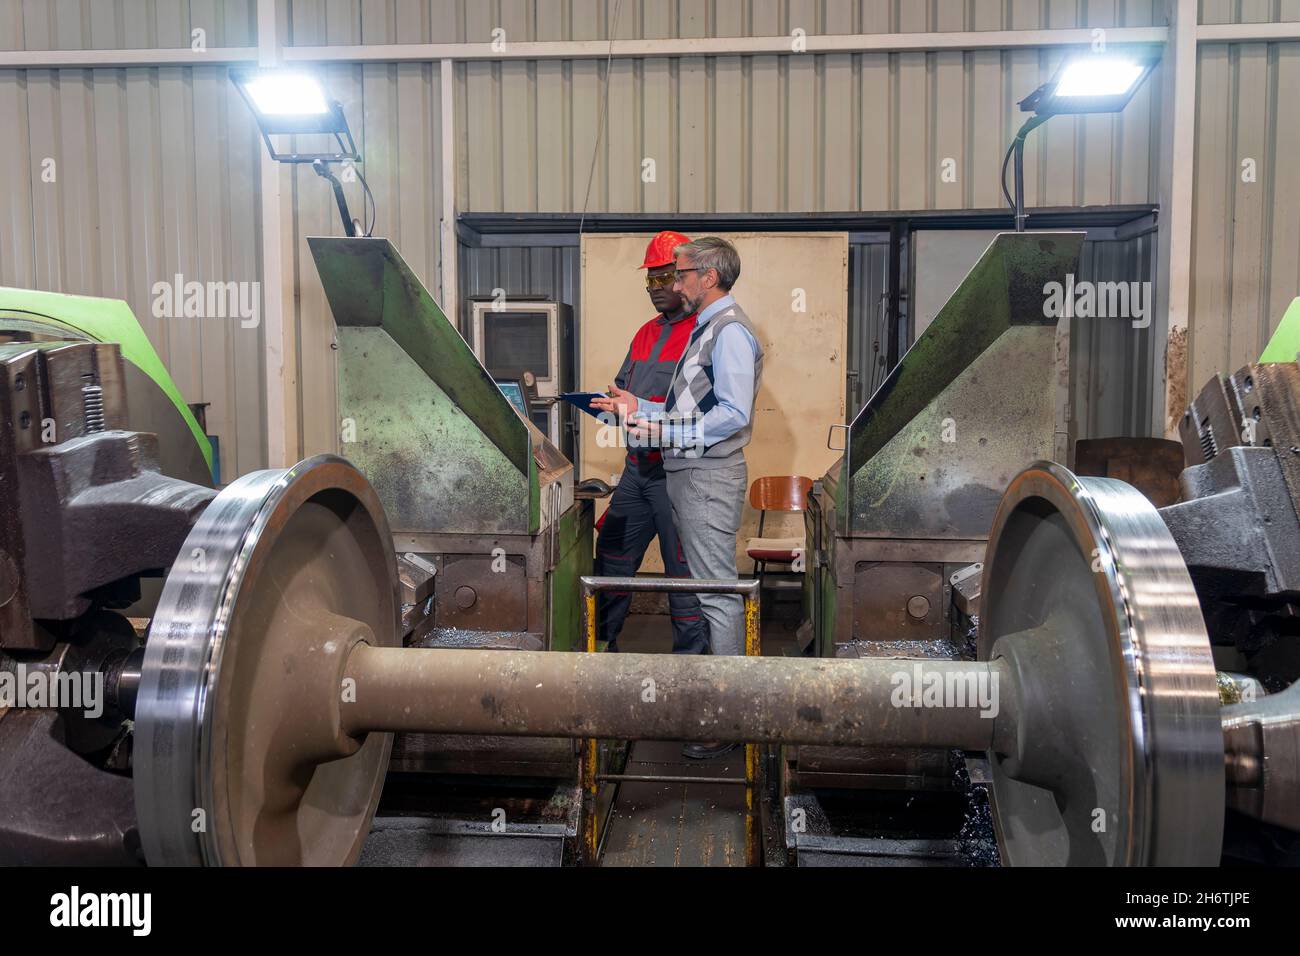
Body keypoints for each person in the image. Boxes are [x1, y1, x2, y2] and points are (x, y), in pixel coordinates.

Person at [594, 236, 764, 759]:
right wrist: (637, 404)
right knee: (707, 589)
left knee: (714, 593)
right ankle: (709, 702)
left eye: (681, 273)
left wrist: (663, 431)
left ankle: (728, 716)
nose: (673, 281)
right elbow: (686, 405)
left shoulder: (729, 332)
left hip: (706, 475)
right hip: (686, 471)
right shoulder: (706, 329)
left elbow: (733, 414)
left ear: (707, 276)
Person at [591, 231, 710, 656]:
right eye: (650, 281)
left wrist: (645, 411)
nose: (657, 290)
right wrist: (605, 405)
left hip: (678, 473)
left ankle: (692, 665)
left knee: (684, 571)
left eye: (665, 279)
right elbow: (624, 388)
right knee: (612, 556)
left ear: (685, 278)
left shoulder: (703, 335)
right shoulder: (644, 334)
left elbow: (706, 412)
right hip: (636, 471)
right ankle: (601, 645)